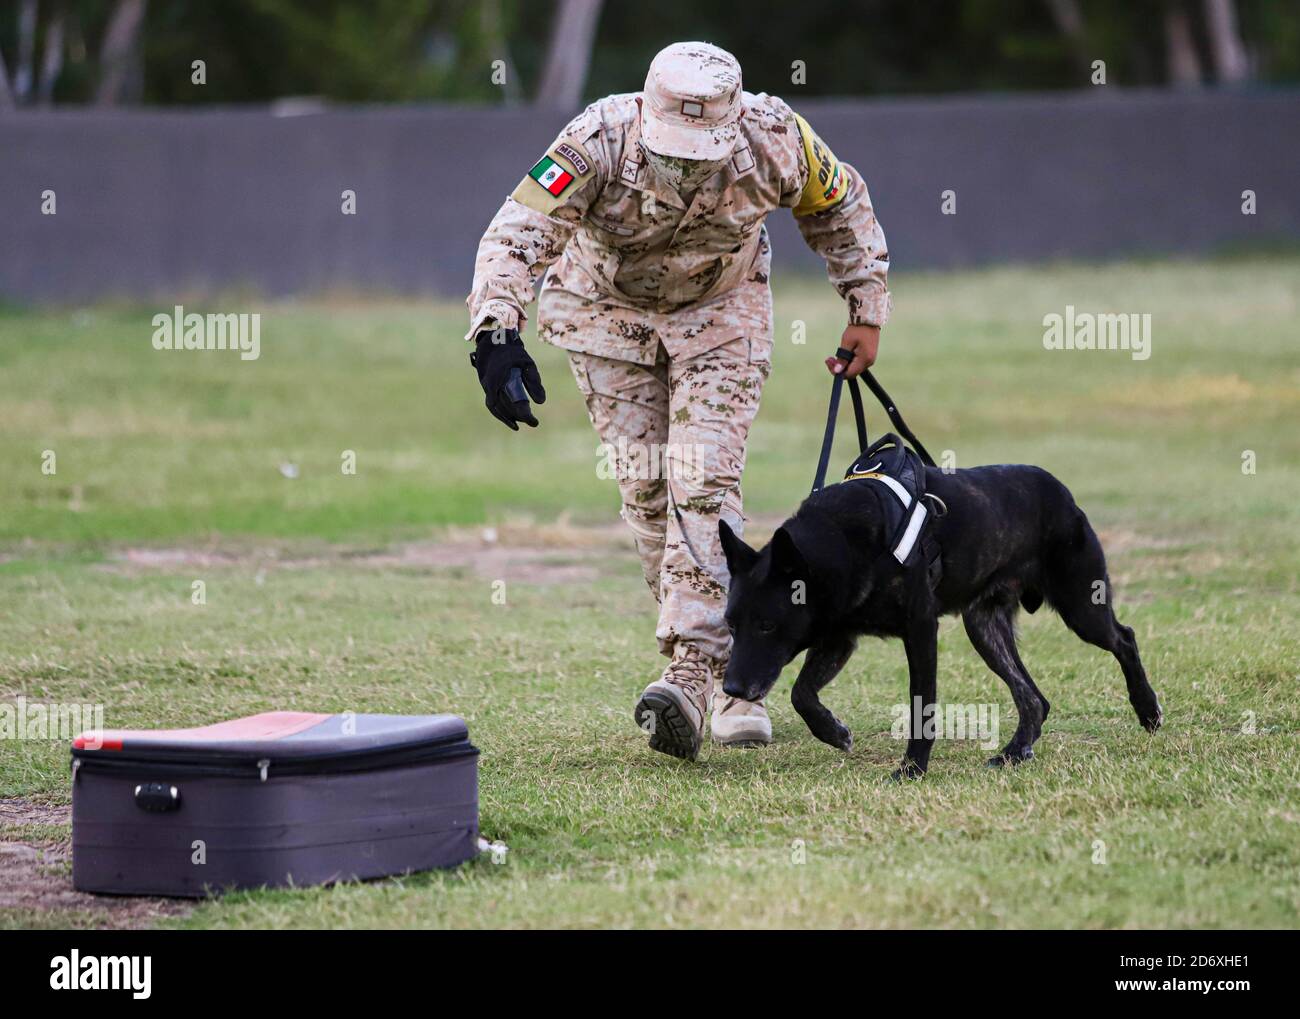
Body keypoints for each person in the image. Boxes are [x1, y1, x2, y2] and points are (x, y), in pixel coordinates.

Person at [466, 41, 890, 760]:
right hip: (606, 317)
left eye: (703, 152)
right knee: (647, 496)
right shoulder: (598, 139)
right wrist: (495, 330)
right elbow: (521, 229)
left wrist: (865, 305)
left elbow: (839, 203)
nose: (688, 165)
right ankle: (728, 670)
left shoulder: (775, 136)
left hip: (719, 317)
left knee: (702, 479)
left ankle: (696, 675)